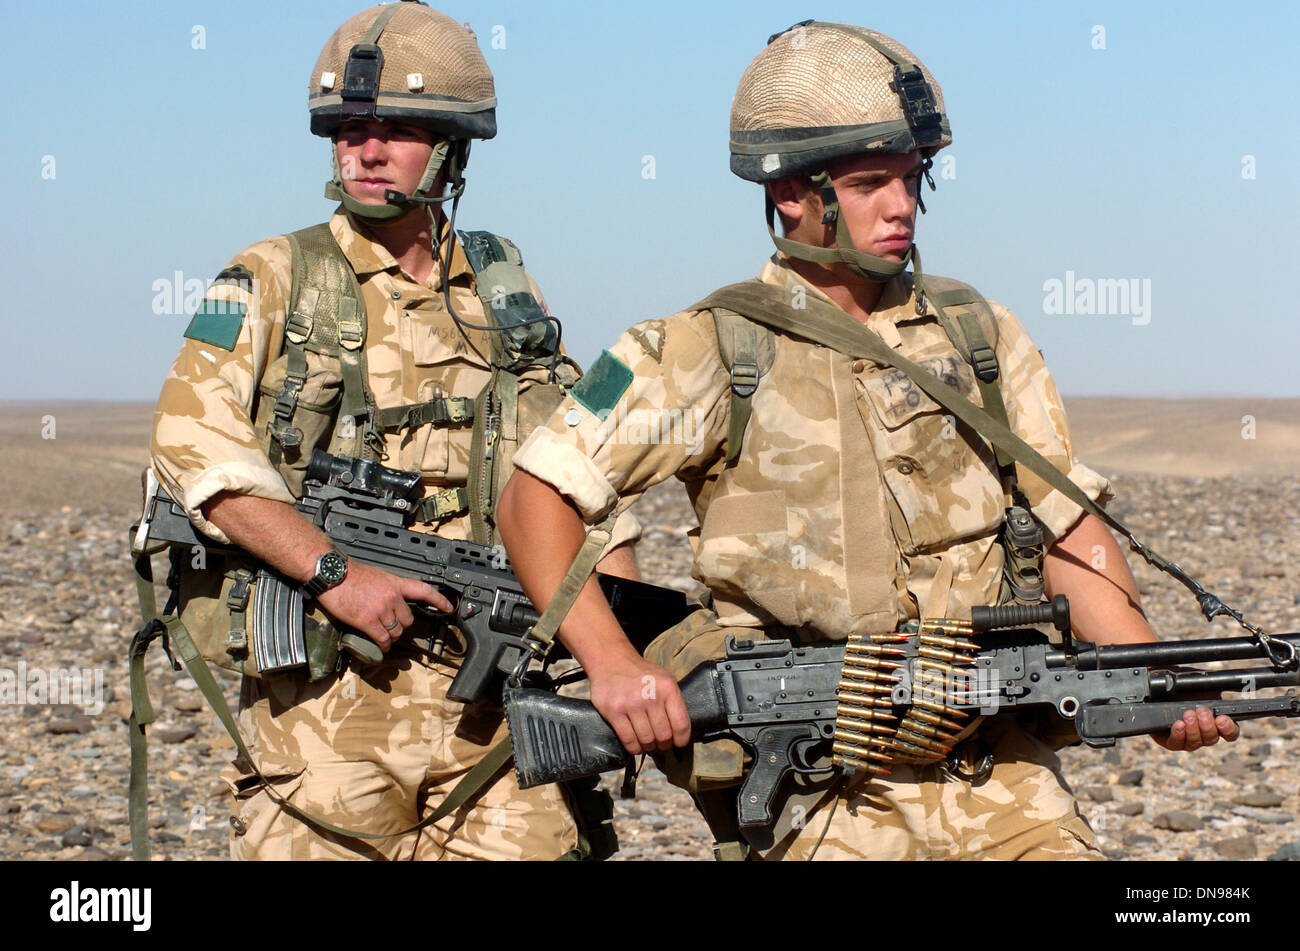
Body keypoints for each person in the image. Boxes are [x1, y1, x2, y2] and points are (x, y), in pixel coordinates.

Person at [495, 20, 1237, 860]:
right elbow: (535, 495)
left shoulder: (979, 336)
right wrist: (611, 664)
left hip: (994, 768)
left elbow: (1066, 530)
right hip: (822, 791)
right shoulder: (698, 348)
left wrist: (1150, 681)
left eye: (913, 177)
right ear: (791, 195)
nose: (902, 205)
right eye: (870, 181)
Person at [149, 1, 637, 860]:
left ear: (454, 146)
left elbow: (579, 465)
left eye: (396, 129)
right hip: (325, 710)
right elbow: (191, 441)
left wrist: (622, 643)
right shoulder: (272, 273)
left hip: (492, 710)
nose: (364, 150)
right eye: (347, 129)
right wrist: (334, 571)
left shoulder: (503, 286)